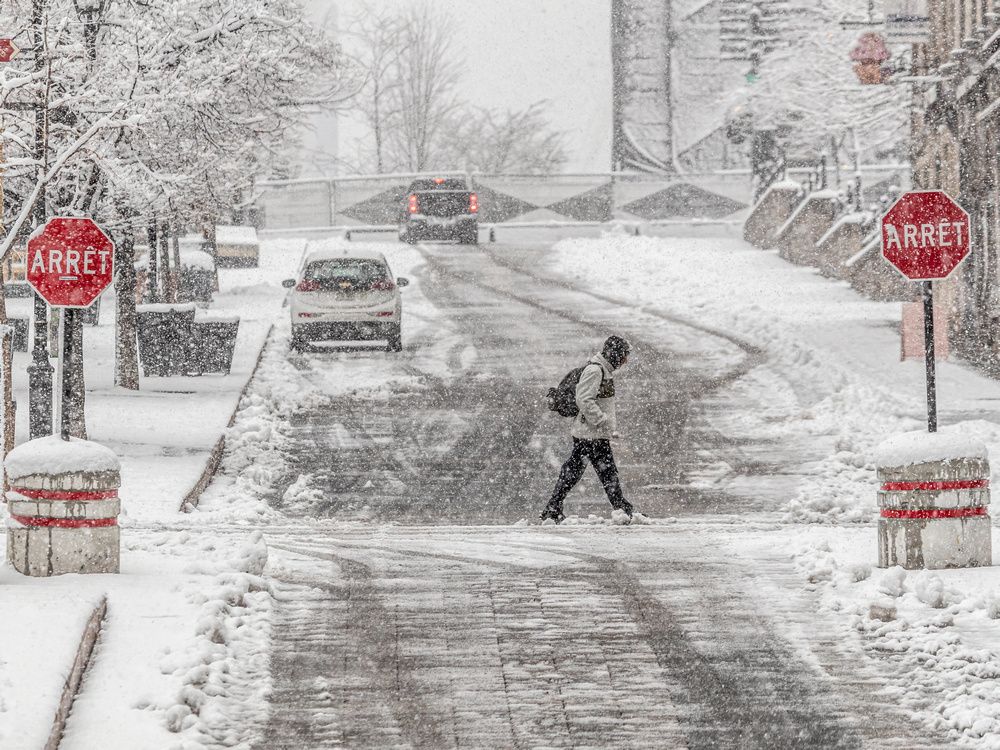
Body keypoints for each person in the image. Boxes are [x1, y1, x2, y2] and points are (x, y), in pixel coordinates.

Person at [541, 335, 635, 524]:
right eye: (624, 355)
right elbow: (583, 399)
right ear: (615, 355)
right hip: (590, 433)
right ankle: (621, 508)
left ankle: (553, 508)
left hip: (591, 432)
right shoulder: (595, 371)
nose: (625, 360)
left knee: (580, 470)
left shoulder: (603, 371)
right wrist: (601, 420)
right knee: (604, 471)